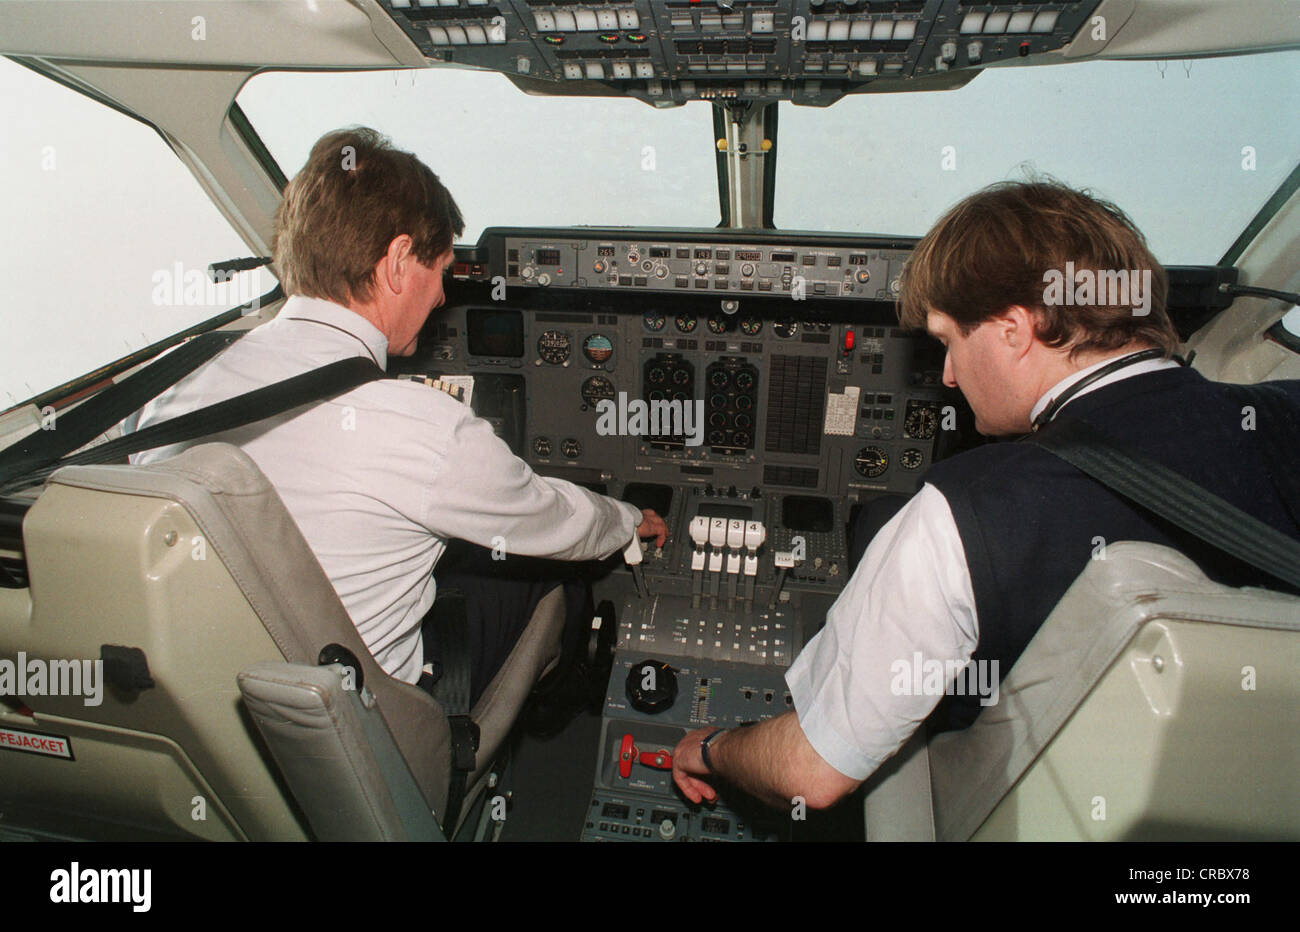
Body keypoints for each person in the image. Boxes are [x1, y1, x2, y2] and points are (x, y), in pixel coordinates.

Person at [671, 179, 1300, 811]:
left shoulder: (962, 513)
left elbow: (811, 774)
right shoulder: (1287, 410)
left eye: (947, 341)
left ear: (1012, 330)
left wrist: (710, 747)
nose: (945, 374)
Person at [125, 127, 667, 701]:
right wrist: (628, 520)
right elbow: (556, 523)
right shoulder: (426, 431)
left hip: (199, 695)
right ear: (398, 261)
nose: (440, 298)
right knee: (552, 580)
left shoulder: (175, 388)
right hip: (367, 726)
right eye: (440, 271)